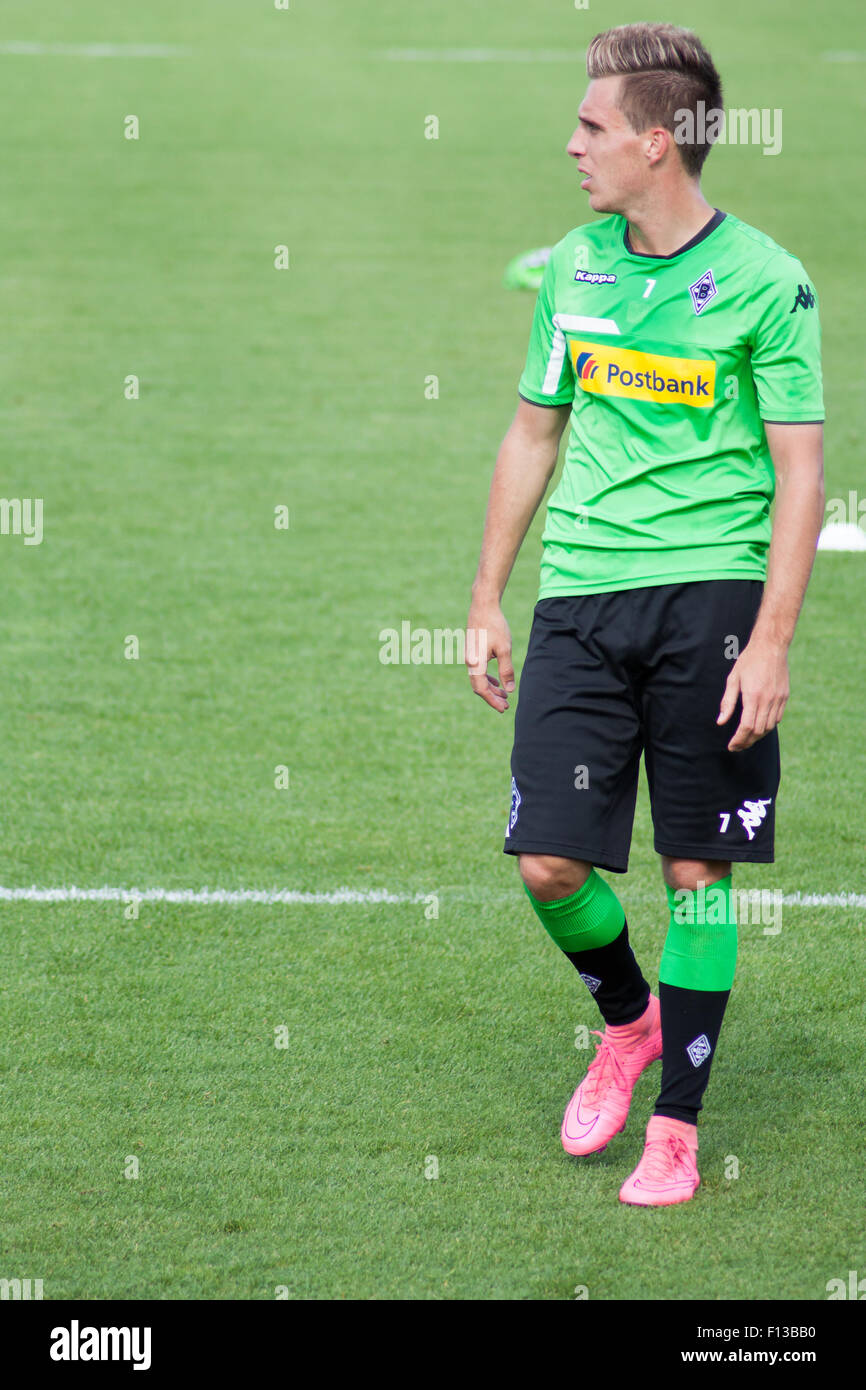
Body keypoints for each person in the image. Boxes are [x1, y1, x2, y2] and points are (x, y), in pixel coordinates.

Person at [465, 22, 824, 1205]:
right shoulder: (575, 267)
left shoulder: (770, 283)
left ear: (657, 143)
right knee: (549, 863)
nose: (569, 144)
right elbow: (533, 430)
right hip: (580, 592)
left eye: (590, 126)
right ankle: (626, 1021)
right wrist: (486, 598)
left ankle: (674, 1125)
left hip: (709, 596)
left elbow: (800, 471)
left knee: (694, 870)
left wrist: (768, 638)